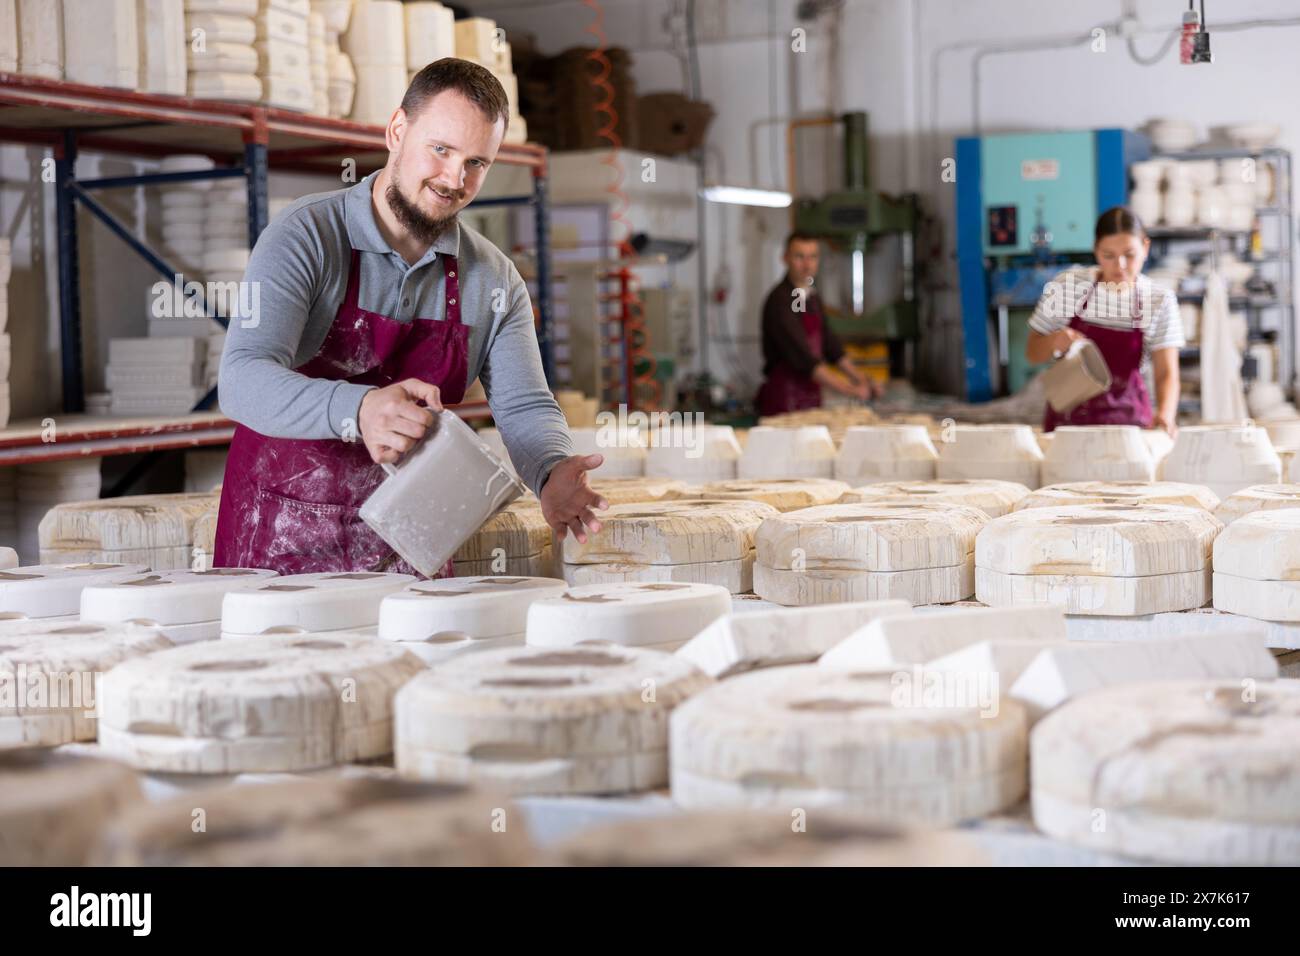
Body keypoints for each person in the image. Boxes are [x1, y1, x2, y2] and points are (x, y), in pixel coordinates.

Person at [213, 58, 605, 576]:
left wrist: (551, 470)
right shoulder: (307, 235)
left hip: (408, 552)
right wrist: (360, 409)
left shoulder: (493, 279)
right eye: (440, 149)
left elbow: (525, 403)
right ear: (398, 130)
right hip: (279, 544)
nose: (454, 179)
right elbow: (241, 379)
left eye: (477, 163)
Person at [1026, 206, 1183, 434]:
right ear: (1095, 250)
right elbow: (1032, 352)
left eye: (1129, 255)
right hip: (1068, 428)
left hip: (1130, 428)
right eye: (1108, 255)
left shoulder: (1159, 300)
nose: (1119, 265)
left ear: (1145, 247)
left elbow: (1166, 372)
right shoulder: (1068, 287)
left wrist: (1166, 414)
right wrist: (1053, 341)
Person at [755, 232, 882, 415]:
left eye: (812, 257)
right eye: (800, 257)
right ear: (785, 258)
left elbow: (830, 345)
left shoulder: (809, 297)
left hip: (810, 396)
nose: (807, 265)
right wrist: (849, 390)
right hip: (784, 400)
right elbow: (803, 356)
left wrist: (861, 379)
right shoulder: (780, 300)